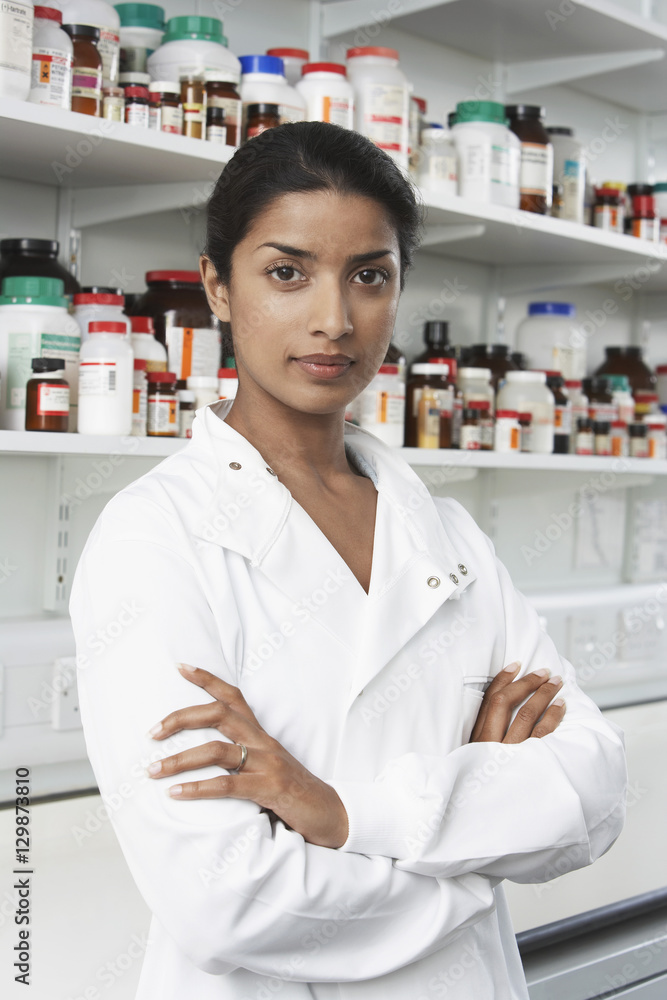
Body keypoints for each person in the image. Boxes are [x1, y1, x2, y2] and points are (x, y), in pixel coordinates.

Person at [69, 121, 627, 1000]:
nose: (333, 319)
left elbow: (591, 790)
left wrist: (340, 813)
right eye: (286, 272)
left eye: (369, 275)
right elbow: (227, 904)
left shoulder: (447, 535)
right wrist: (475, 849)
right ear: (217, 285)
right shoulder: (153, 538)